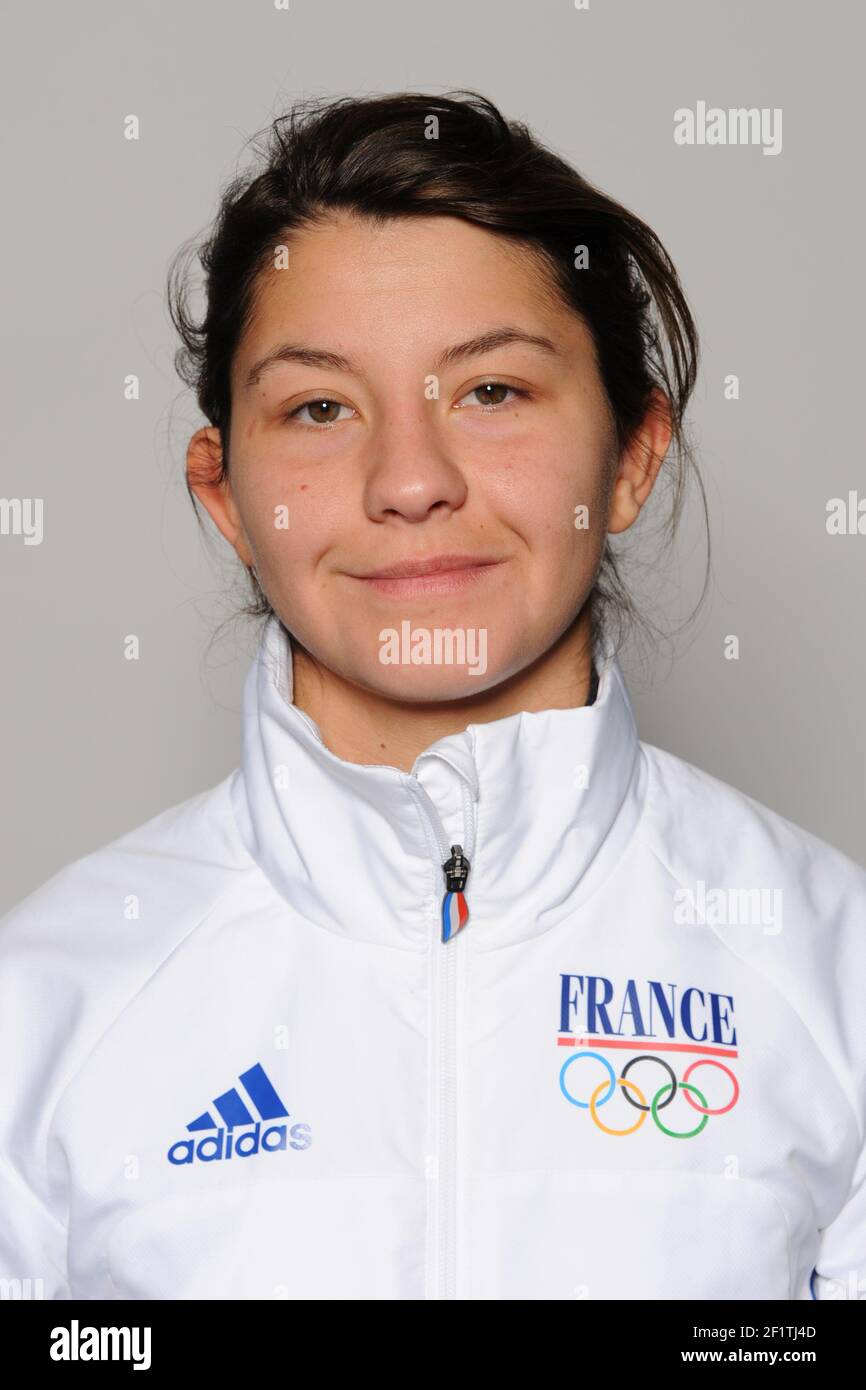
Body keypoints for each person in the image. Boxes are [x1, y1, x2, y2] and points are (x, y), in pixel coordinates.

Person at [1, 89, 863, 1302]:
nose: (409, 480)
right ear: (226, 495)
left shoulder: (835, 974)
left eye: (490, 392)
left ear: (630, 455)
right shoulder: (40, 1006)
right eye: (318, 408)